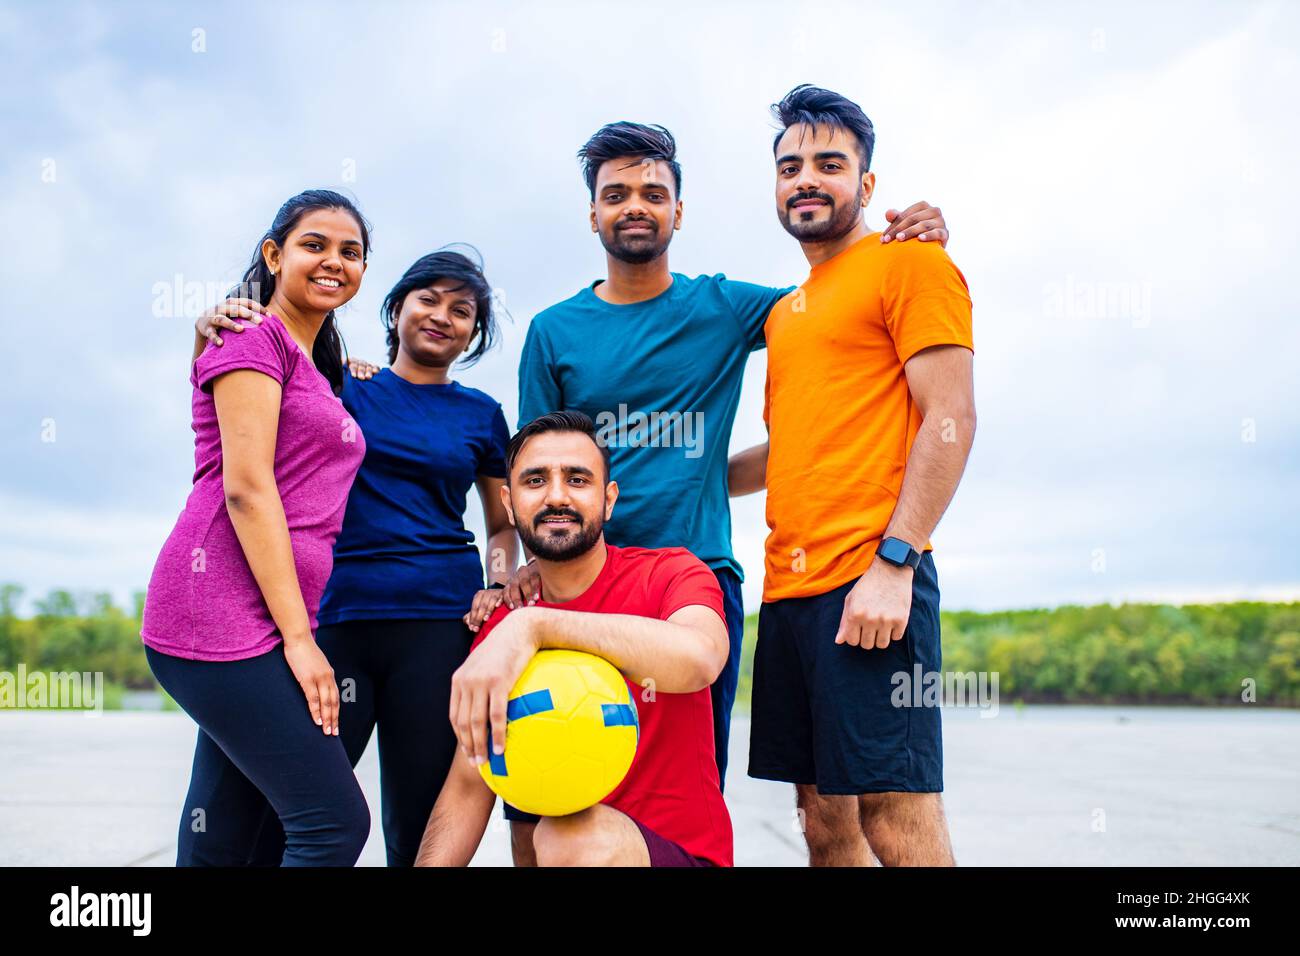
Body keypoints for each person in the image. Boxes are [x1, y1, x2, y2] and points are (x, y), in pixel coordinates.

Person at [410, 121, 946, 866]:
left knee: (685, 789)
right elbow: (534, 474)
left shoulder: (726, 308)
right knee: (535, 794)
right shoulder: (555, 331)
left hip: (691, 584)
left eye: (654, 193)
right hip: (575, 583)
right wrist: (506, 581)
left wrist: (900, 236)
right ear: (592, 213)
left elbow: (833, 299)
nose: (636, 205)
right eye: (617, 194)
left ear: (679, 212)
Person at [193, 248, 517, 866]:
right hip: (332, 620)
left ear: (474, 333)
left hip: (440, 627)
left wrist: (497, 585)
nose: (442, 316)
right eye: (428, 299)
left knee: (419, 815)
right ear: (396, 310)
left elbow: (501, 525)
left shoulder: (482, 415)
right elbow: (247, 403)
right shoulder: (342, 384)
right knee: (302, 808)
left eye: (462, 311)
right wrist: (206, 327)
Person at [736, 85, 976, 866]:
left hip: (871, 585)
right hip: (788, 597)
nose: (807, 178)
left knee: (896, 819)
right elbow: (788, 452)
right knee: (824, 826)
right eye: (790, 166)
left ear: (866, 186)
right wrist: (672, 475)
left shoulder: (909, 263)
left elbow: (951, 417)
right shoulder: (785, 315)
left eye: (829, 164)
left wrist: (895, 564)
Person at [141, 189, 372, 866]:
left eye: (351, 252)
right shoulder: (250, 335)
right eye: (314, 245)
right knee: (332, 822)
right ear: (274, 255)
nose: (334, 261)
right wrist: (300, 640)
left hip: (259, 617)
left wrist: (355, 372)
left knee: (226, 828)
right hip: (214, 611)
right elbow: (245, 489)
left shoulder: (312, 366)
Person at [413, 412, 733, 867]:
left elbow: (700, 659)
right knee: (555, 840)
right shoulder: (502, 621)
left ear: (608, 500)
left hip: (676, 856)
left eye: (578, 479)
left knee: (573, 841)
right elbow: (469, 781)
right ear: (508, 502)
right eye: (535, 480)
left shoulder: (670, 573)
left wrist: (538, 626)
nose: (557, 496)